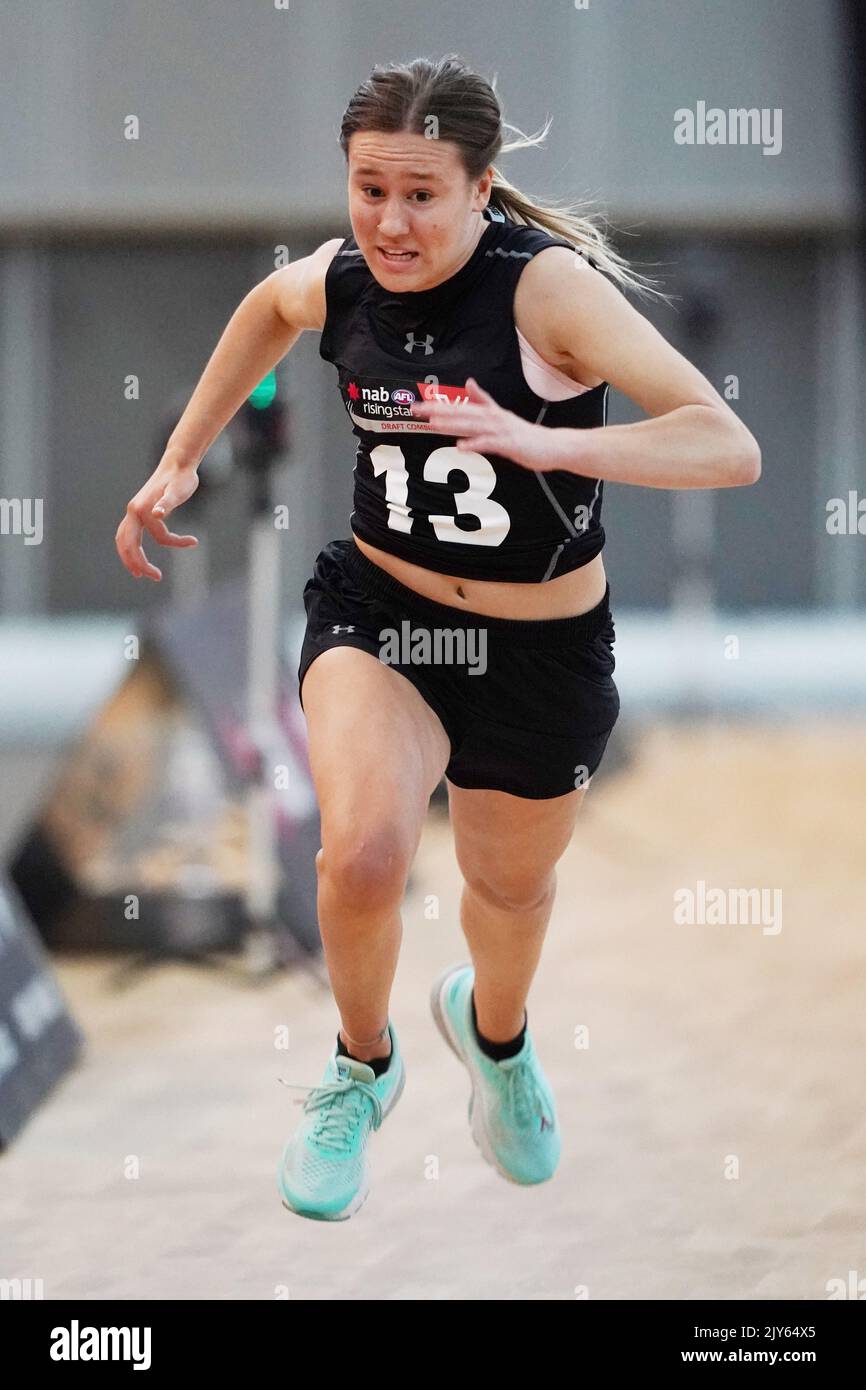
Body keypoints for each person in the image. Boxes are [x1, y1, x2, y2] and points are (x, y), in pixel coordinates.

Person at [115, 54, 761, 1222]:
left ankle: (495, 1039)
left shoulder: (545, 292)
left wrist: (539, 440)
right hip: (382, 612)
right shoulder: (344, 279)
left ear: (480, 186)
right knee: (360, 855)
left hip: (540, 650)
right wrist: (180, 454)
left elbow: (723, 445)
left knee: (505, 891)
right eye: (369, 189)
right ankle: (360, 1068)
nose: (390, 221)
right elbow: (266, 307)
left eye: (420, 194)